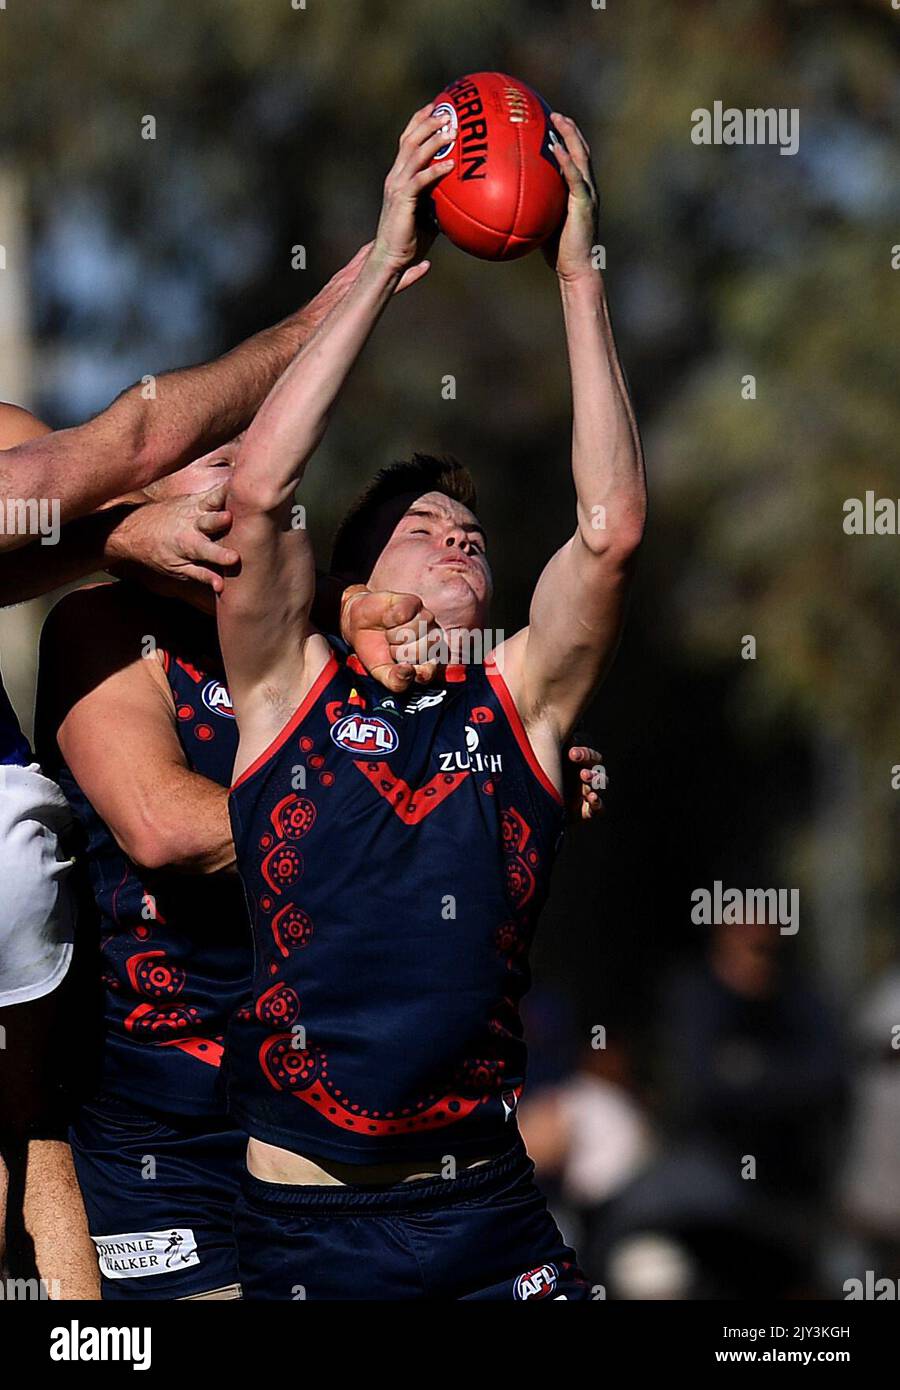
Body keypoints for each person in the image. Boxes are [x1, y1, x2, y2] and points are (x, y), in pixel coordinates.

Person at [216, 104, 645, 1299]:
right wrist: (387, 262)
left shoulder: (522, 707)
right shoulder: (285, 691)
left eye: (473, 535)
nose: (459, 538)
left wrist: (576, 272)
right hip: (306, 1227)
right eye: (424, 528)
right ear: (354, 578)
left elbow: (608, 538)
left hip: (484, 1214)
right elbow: (257, 494)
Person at [0, 241, 407, 1294]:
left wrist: (509, 760)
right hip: (159, 1129)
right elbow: (164, 828)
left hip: (319, 1107)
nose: (238, 485)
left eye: (264, 467)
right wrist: (403, 808)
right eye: (214, 458)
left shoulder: (329, 641)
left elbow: (59, 492)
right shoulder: (102, 631)